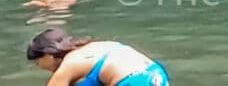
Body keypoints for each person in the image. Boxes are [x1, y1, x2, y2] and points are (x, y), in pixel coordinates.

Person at [26, 29, 169, 86]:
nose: (39, 66)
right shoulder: (93, 47)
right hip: (156, 74)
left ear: (48, 55)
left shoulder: (67, 66)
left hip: (133, 81)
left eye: (38, 61)